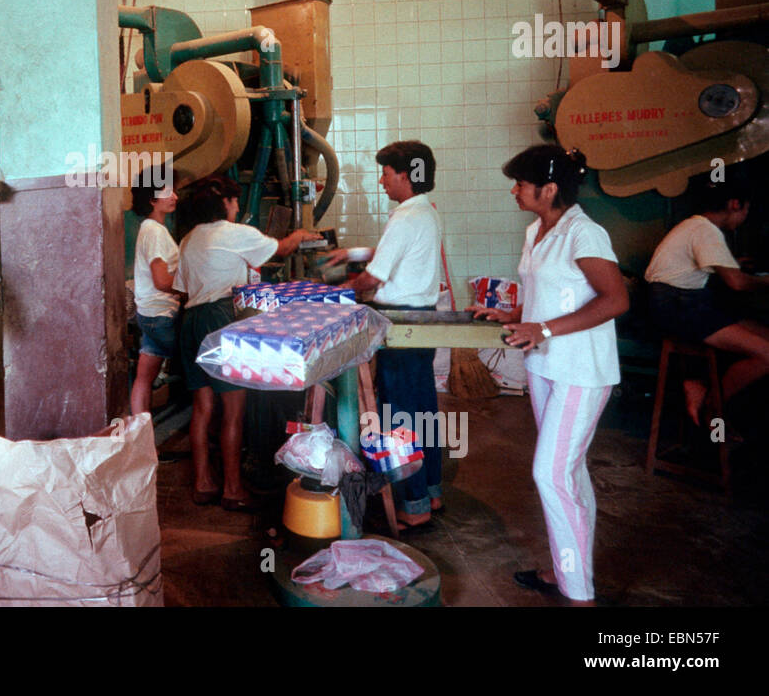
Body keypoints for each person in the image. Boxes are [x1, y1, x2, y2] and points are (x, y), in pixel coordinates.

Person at [469, 145, 628, 606]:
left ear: (550, 189)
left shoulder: (586, 233)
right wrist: (511, 314)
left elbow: (615, 300)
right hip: (544, 365)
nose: (514, 191)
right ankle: (567, 570)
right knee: (567, 474)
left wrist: (544, 328)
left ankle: (579, 595)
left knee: (551, 473)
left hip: (582, 370)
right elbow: (549, 294)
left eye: (520, 183)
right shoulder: (536, 230)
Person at [175, 175, 321, 511]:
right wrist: (299, 235)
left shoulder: (188, 239)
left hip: (191, 322)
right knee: (234, 412)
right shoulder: (234, 233)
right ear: (224, 203)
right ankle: (233, 488)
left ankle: (203, 483)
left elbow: (182, 288)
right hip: (221, 319)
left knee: (202, 409)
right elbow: (281, 249)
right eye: (235, 201)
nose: (237, 207)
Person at [323, 140, 444, 529]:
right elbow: (394, 252)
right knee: (423, 407)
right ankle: (431, 492)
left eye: (386, 174)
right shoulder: (424, 212)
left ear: (405, 176)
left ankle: (414, 507)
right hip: (421, 320)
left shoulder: (404, 217)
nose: (381, 181)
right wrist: (353, 254)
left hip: (401, 324)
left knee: (400, 415)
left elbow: (374, 277)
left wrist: (334, 289)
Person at [645, 177, 769, 424]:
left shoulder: (697, 226)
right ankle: (712, 407)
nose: (744, 218)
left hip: (681, 302)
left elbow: (725, 270)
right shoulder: (705, 230)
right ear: (735, 204)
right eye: (746, 211)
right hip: (676, 306)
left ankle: (700, 384)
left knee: (764, 334)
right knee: (766, 353)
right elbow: (736, 282)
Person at [130, 170, 180, 415]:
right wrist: (191, 289)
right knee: (202, 371)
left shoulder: (148, 228)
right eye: (167, 192)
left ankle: (143, 437)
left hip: (148, 315)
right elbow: (161, 281)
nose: (175, 196)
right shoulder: (156, 231)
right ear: (152, 199)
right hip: (163, 316)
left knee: (143, 378)